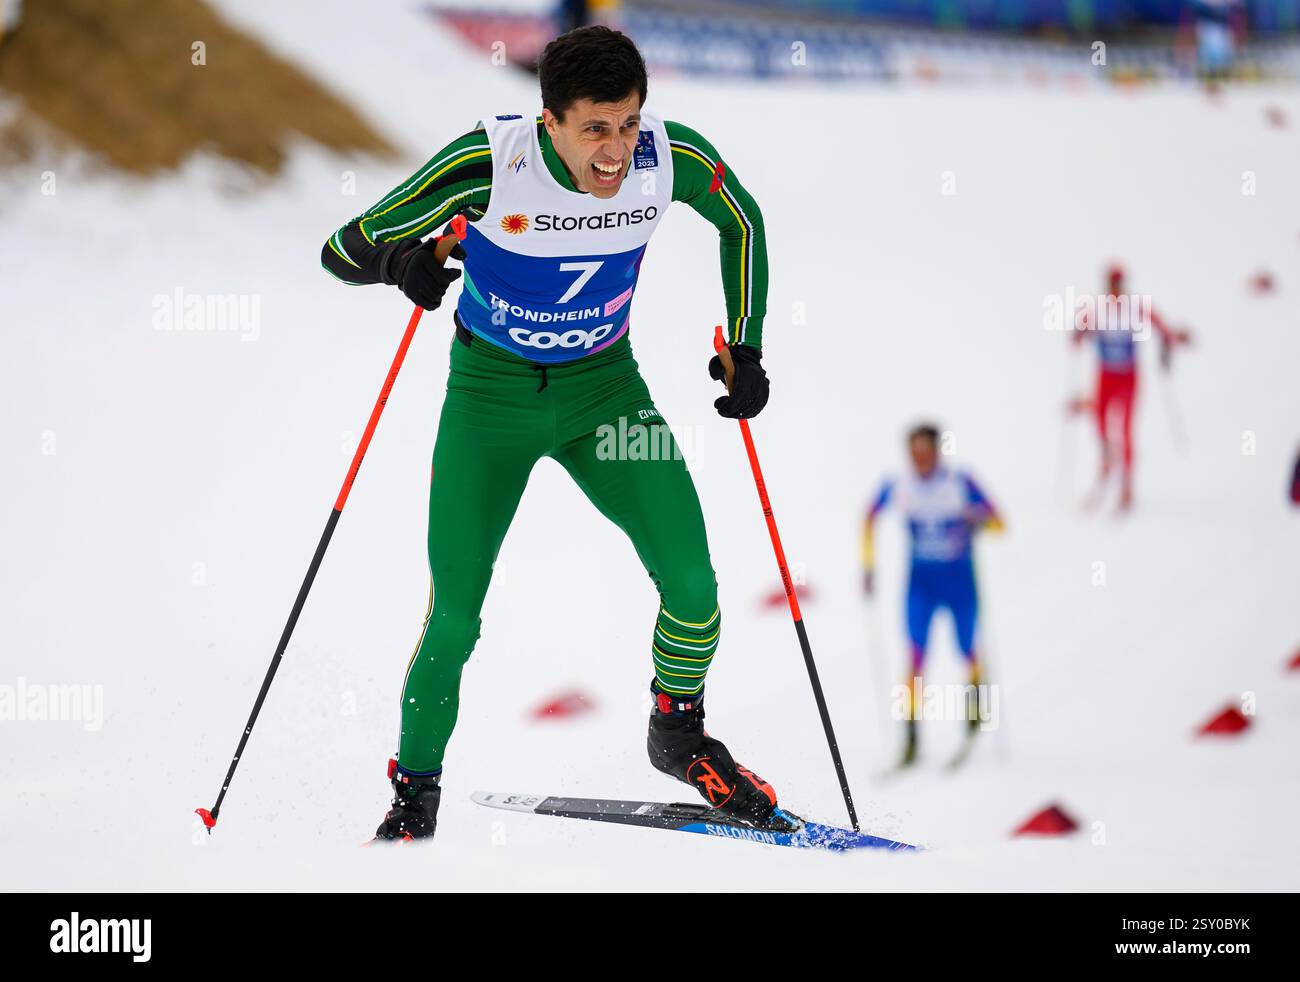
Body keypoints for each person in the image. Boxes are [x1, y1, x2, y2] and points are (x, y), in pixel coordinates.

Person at [321, 26, 781, 841]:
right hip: (489, 407)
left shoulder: (665, 159)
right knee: (455, 616)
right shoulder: (486, 164)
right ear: (550, 120)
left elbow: (741, 220)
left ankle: (676, 733)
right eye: (595, 129)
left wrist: (745, 345)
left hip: (607, 402)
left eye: (629, 124)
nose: (616, 152)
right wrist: (401, 265)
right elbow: (341, 250)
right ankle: (413, 799)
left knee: (695, 584)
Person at [862, 425, 1002, 767]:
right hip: (921, 583)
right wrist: (868, 566)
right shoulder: (899, 484)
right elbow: (869, 517)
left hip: (958, 583)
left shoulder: (959, 481)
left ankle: (974, 710)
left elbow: (998, 522)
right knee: (915, 656)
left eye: (925, 452)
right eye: (914, 453)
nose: (920, 460)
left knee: (967, 649)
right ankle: (910, 735)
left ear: (937, 452)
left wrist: (977, 520)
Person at [1070, 263, 1192, 512]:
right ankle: (1105, 467)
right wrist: (1078, 336)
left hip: (1128, 377)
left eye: (1118, 283)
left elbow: (1160, 326)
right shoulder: (1097, 309)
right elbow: (1079, 331)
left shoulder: (1135, 307)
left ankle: (1127, 484)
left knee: (1125, 429)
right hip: (1105, 377)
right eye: (1111, 283)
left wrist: (1168, 344)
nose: (1115, 288)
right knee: (1101, 424)